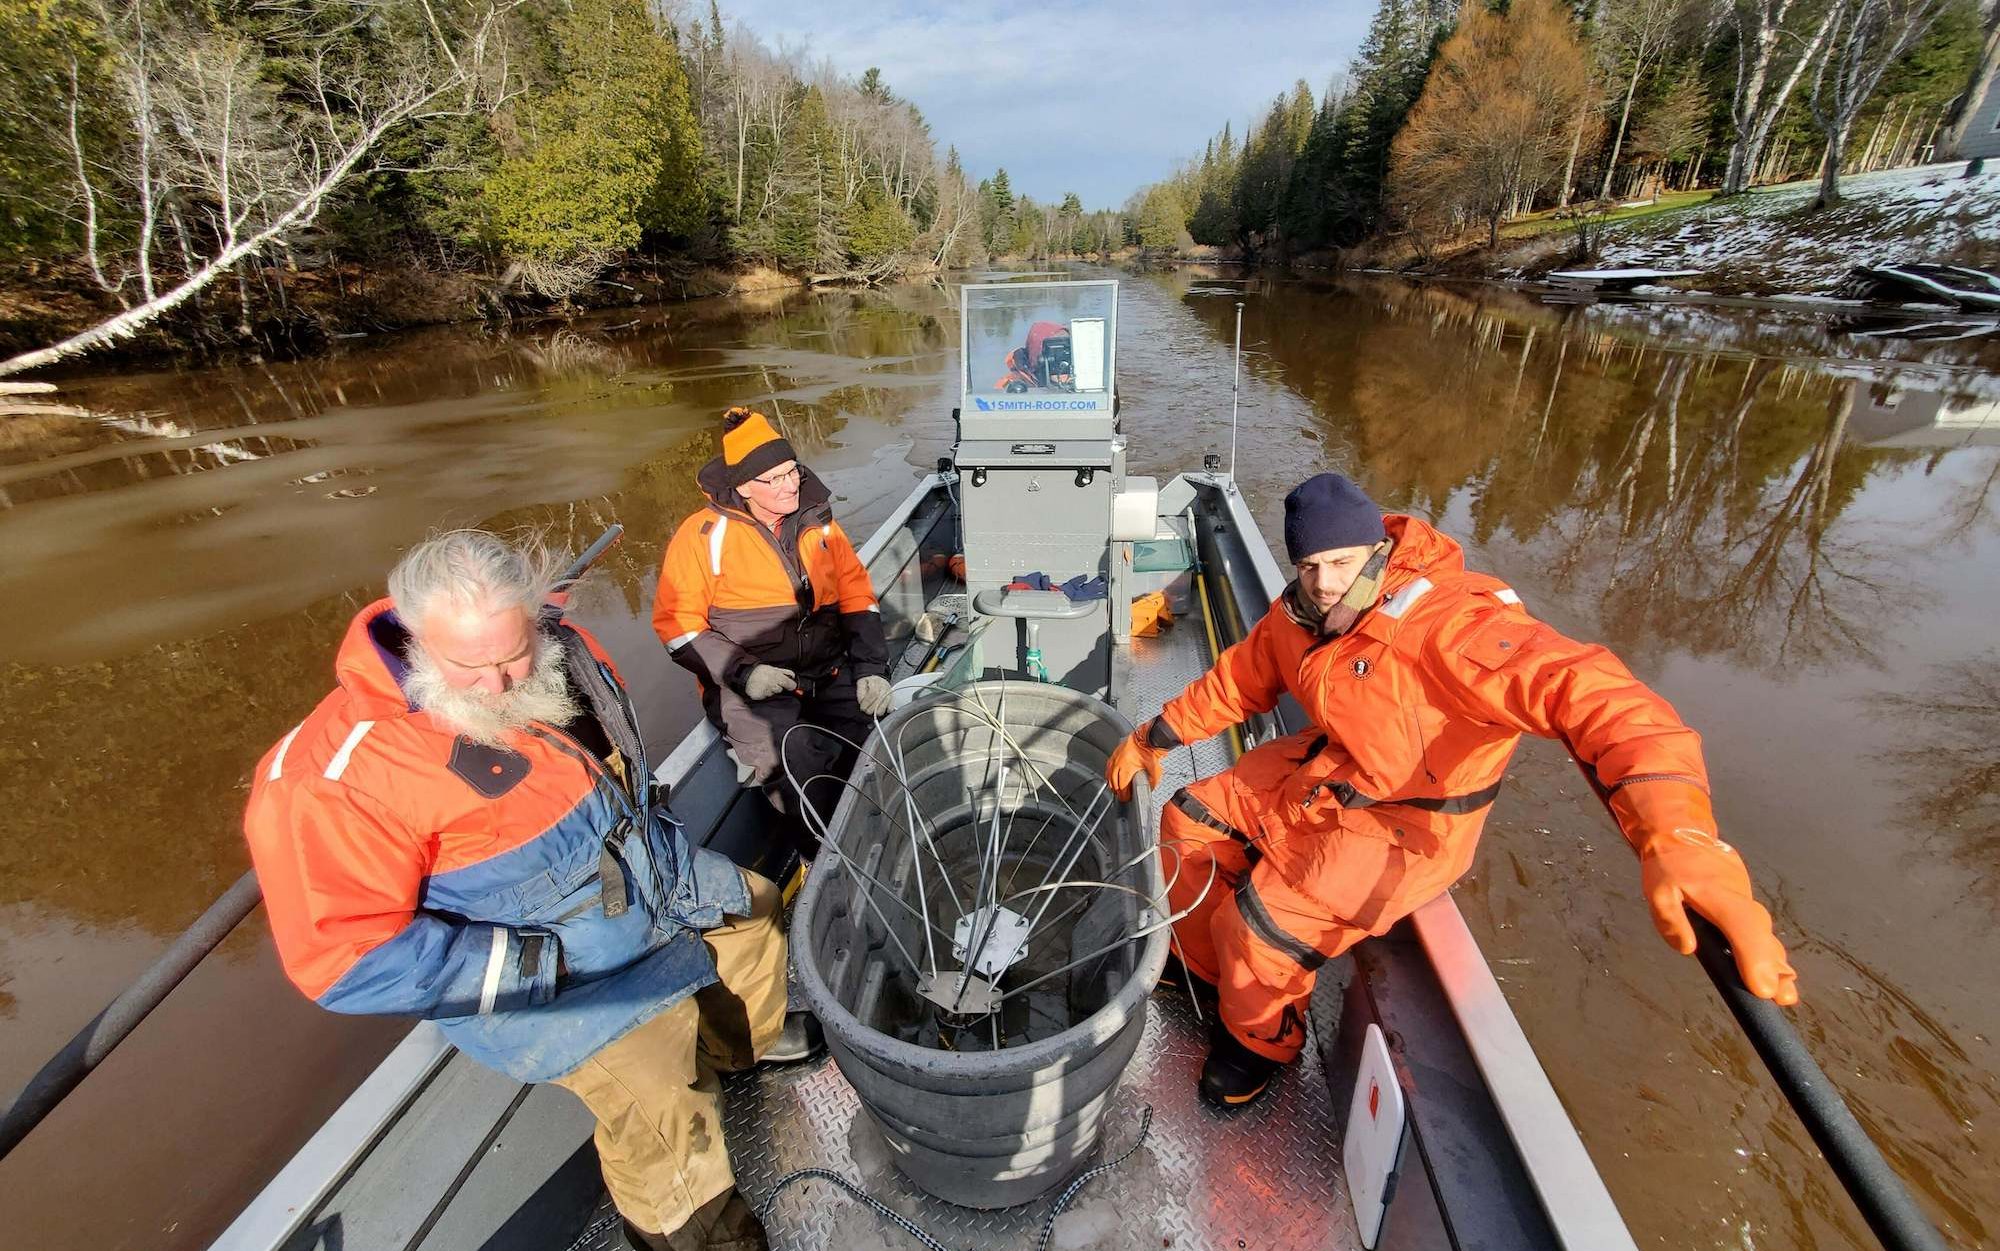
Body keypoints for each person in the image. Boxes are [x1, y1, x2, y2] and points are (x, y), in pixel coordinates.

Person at [1107, 473, 1799, 1108]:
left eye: (1341, 562)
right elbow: (1239, 678)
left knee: (1264, 924)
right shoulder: (1300, 614)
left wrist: (1677, 833)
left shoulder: (1451, 624)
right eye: (1310, 566)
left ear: (1377, 550)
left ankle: (1258, 1043)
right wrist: (1153, 737)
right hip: (1333, 767)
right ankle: (1200, 968)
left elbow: (1597, 696)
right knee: (1189, 817)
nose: (1324, 583)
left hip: (1410, 821)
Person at [244, 529, 810, 1251]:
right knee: (662, 1102)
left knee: (756, 908)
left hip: (649, 878)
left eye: (515, 653)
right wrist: (538, 964)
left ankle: (739, 1048)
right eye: (469, 666)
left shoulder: (563, 645)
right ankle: (694, 1231)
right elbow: (341, 958)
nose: (501, 682)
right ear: (415, 639)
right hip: (554, 967)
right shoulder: (330, 779)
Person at [653, 407, 893, 865]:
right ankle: (823, 858)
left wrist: (871, 668)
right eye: (775, 478)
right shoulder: (702, 536)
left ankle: (881, 831)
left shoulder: (820, 522)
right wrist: (746, 673)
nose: (791, 485)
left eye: (792, 471)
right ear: (745, 486)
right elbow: (676, 625)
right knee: (793, 755)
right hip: (751, 685)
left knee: (874, 732)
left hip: (828, 669)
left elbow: (857, 596)